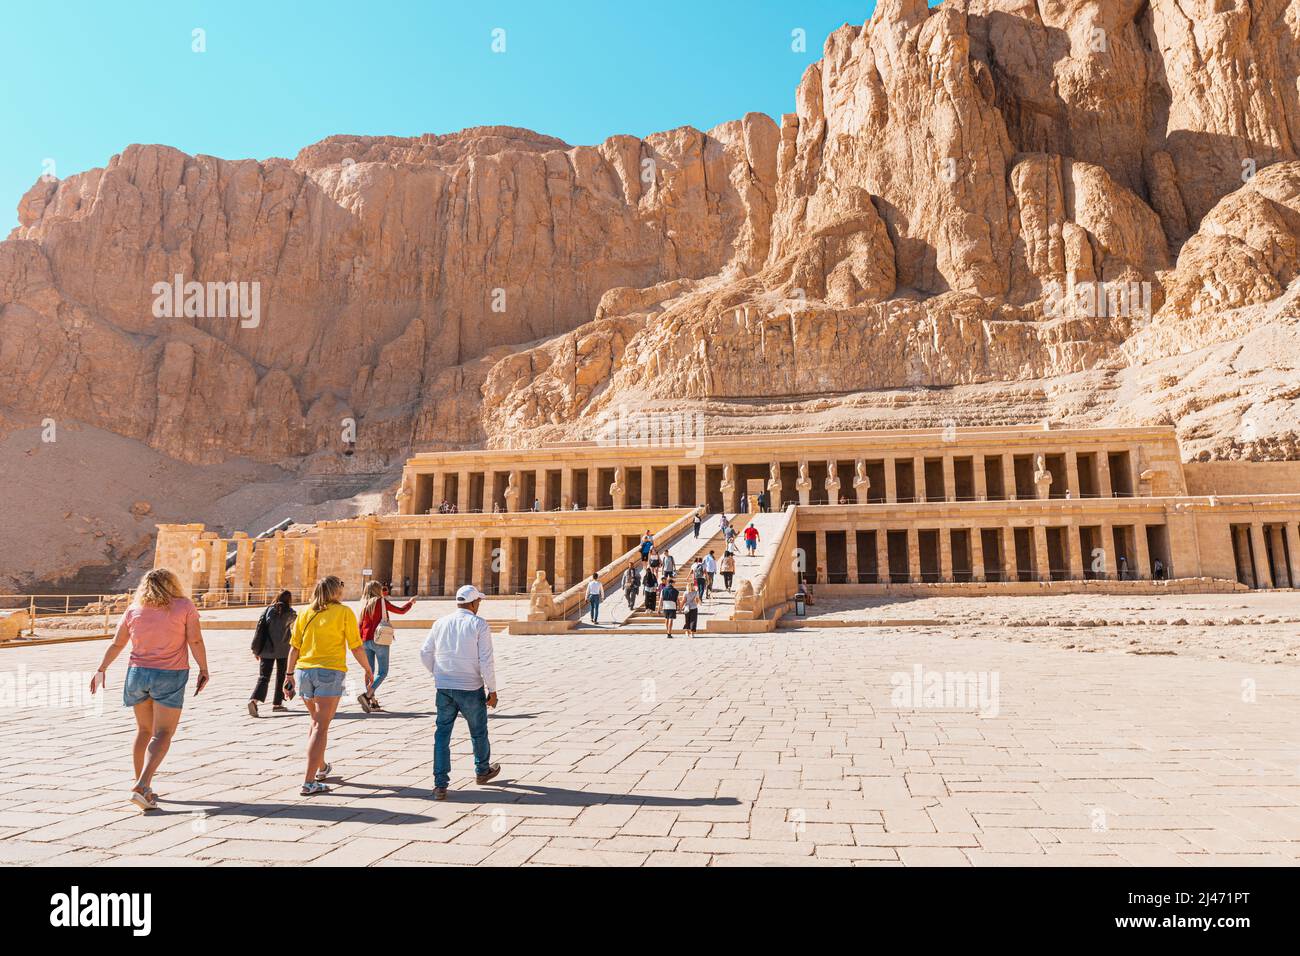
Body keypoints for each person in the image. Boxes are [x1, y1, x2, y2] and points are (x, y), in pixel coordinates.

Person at [90, 568, 209, 812]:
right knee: (163, 732)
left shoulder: (134, 610)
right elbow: (194, 640)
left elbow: (117, 643)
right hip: (169, 674)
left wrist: (101, 668)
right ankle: (143, 785)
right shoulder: (184, 605)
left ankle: (141, 783)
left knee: (143, 730)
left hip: (136, 674)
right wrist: (204, 668)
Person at [283, 575, 373, 796]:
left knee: (315, 723)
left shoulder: (304, 612)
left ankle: (321, 767)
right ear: (336, 592)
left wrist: (289, 674)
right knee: (321, 727)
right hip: (329, 672)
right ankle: (308, 782)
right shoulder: (343, 613)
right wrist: (368, 669)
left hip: (304, 672)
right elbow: (356, 646)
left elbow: (294, 648)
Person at [419, 585, 501, 800]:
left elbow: (425, 652)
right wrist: (492, 690)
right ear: (473, 603)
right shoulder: (479, 624)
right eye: (479, 602)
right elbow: (486, 660)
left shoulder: (440, 622)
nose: (479, 606)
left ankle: (440, 785)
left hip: (444, 687)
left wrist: (437, 672)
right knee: (478, 731)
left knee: (442, 735)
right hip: (470, 687)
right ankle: (482, 770)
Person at [357, 581, 414, 713]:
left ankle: (372, 703)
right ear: (378, 590)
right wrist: (410, 602)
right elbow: (401, 611)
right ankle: (367, 695)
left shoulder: (363, 604)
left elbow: (360, 625)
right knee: (383, 672)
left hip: (365, 641)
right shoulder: (381, 601)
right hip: (379, 640)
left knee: (369, 672)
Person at [248, 589, 295, 717]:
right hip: (284, 650)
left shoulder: (268, 610)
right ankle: (277, 704)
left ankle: (254, 700)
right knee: (281, 677)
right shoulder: (290, 613)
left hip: (266, 650)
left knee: (263, 677)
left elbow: (259, 630)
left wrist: (256, 649)